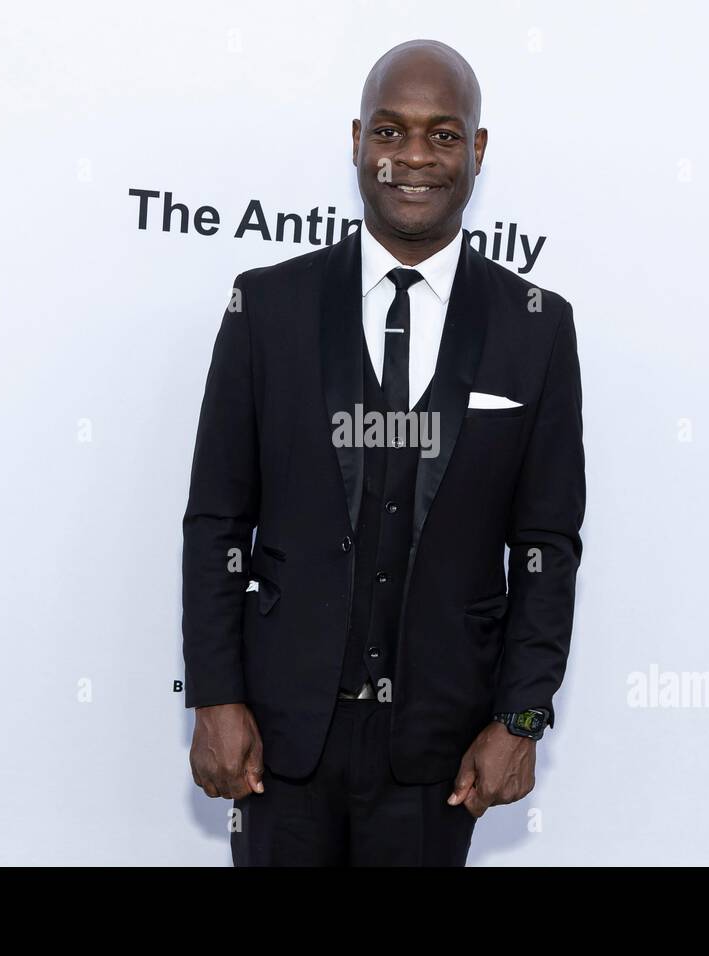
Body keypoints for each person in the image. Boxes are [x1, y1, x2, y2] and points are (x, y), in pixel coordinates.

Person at [181, 38, 585, 866]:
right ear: (358, 140)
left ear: (476, 150)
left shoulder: (536, 326)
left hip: (440, 751)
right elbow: (218, 521)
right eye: (391, 131)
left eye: (442, 135)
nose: (413, 157)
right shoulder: (267, 307)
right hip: (281, 740)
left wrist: (520, 720)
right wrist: (216, 698)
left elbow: (547, 544)